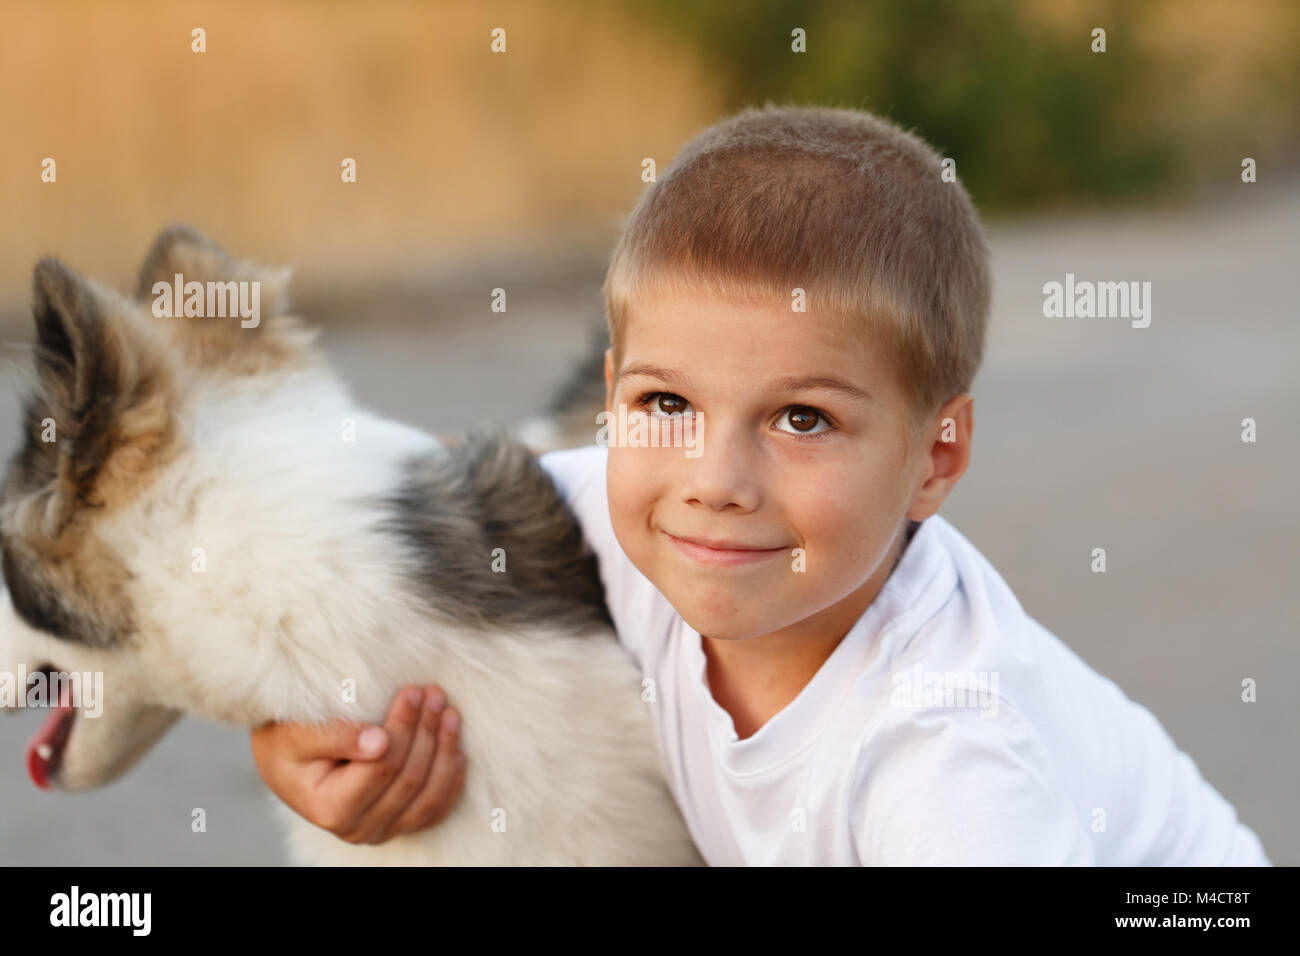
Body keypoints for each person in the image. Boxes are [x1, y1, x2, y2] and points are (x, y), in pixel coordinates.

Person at [251, 104, 1270, 864]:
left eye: (802, 419)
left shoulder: (947, 761)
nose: (715, 480)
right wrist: (299, 736)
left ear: (937, 456)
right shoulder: (609, 515)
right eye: (665, 404)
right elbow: (362, 522)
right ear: (612, 396)